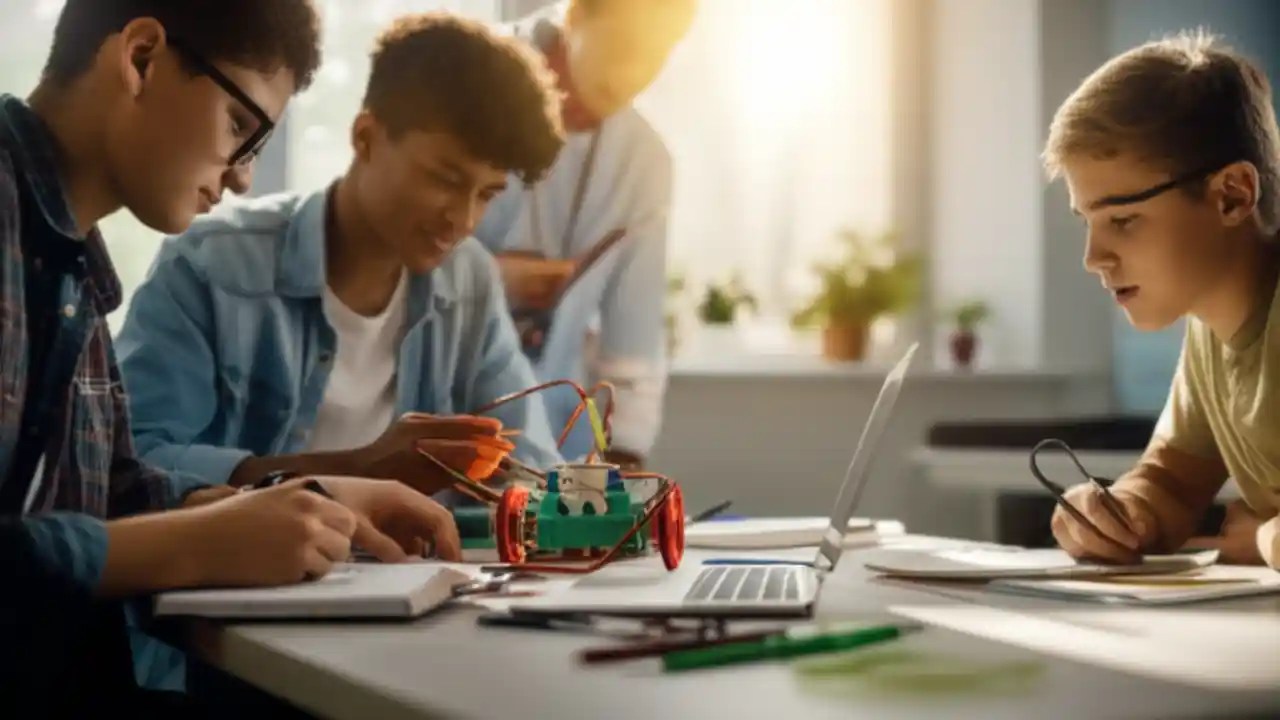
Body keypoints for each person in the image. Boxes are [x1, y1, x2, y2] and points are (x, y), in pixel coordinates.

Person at [0, 0, 469, 711]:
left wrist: (308, 501)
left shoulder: (71, 263)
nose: (244, 177)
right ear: (142, 58)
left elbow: (111, 494)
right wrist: (194, 545)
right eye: (241, 128)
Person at [115, 13, 567, 503]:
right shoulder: (213, 266)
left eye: (488, 194)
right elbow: (133, 462)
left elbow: (532, 468)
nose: (464, 219)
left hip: (410, 577)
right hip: (246, 575)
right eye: (446, 179)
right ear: (366, 138)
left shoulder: (469, 280)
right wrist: (354, 472)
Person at [1042, 30, 1280, 570]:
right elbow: (1171, 478)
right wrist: (1122, 512)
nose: (1094, 257)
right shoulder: (1210, 327)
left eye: (1122, 220)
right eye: (1089, 223)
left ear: (1232, 196)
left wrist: (1259, 540)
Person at [474, 0, 696, 468]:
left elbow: (632, 337)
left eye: (655, 57)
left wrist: (625, 454)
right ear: (575, 16)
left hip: (549, 440)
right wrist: (492, 279)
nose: (633, 73)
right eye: (624, 46)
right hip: (429, 415)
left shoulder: (644, 161)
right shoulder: (468, 76)